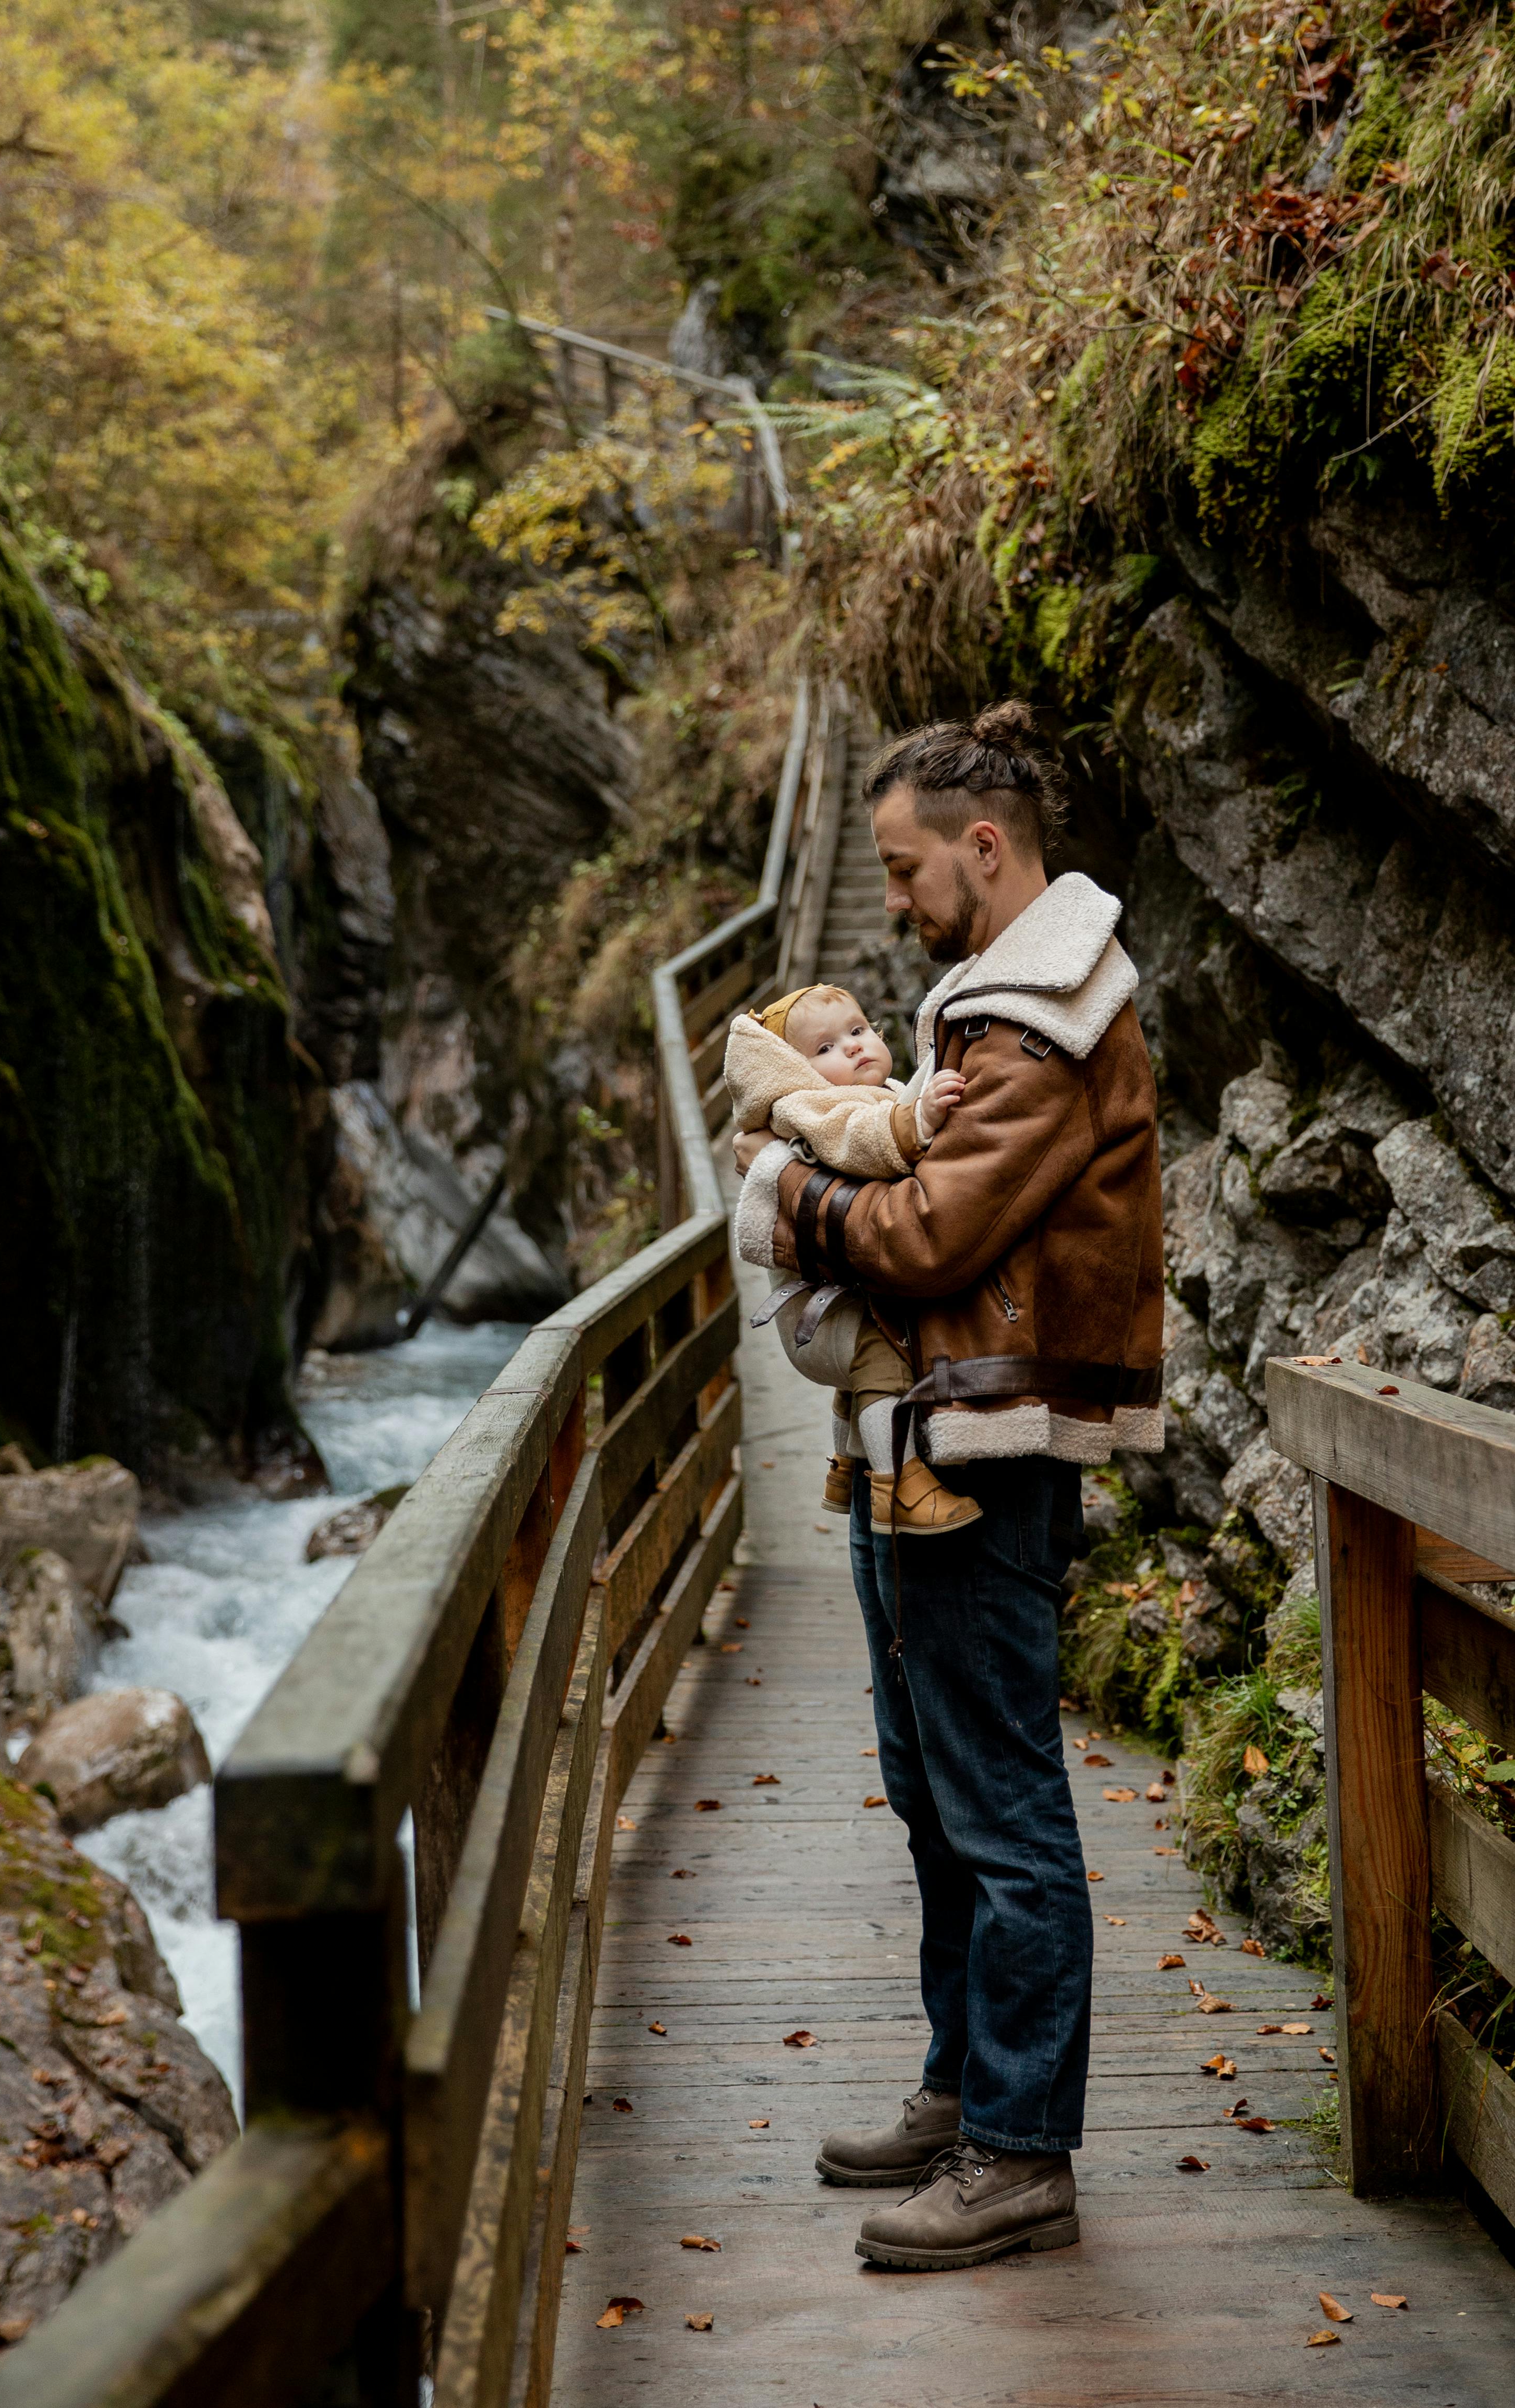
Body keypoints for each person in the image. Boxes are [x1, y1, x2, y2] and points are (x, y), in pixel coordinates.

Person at [734, 699, 1164, 2272]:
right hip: (923, 1442)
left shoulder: (1044, 1020)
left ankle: (1020, 2151)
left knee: (999, 1808)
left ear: (987, 851)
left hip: (986, 1451)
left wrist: (792, 1191)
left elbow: (932, 1237)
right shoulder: (992, 1008)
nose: (897, 904)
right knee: (933, 1790)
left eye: (909, 872)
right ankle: (960, 2087)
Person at [723, 980, 977, 1535]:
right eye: (826, 1048)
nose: (855, 1046)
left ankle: (845, 1464)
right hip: (814, 1308)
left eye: (859, 1030)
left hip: (842, 1290)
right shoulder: (810, 1108)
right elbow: (857, 1141)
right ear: (795, 1072)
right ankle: (900, 1484)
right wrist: (919, 1119)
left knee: (865, 1371)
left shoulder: (874, 1090)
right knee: (882, 1361)